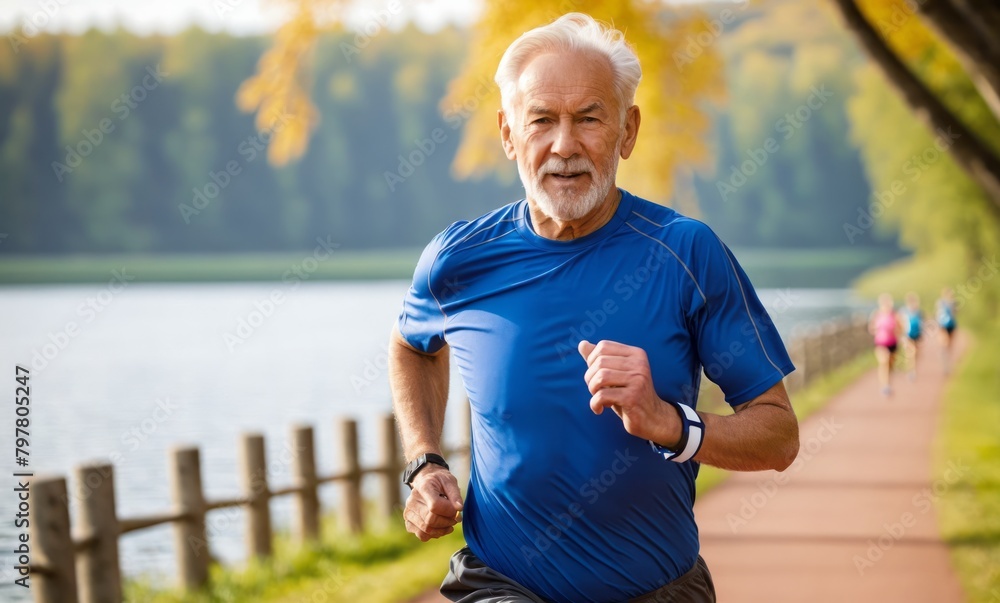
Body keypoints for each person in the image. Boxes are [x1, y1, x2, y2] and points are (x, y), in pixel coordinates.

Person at [388, 13, 799, 603]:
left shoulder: (688, 252)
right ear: (508, 134)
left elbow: (779, 436)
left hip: (659, 589)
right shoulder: (458, 259)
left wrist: (670, 423)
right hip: (501, 584)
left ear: (627, 131)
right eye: (541, 121)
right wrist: (424, 462)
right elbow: (411, 346)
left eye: (588, 118)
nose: (564, 145)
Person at [868, 293, 900, 396]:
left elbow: (900, 327)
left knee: (890, 365)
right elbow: (871, 328)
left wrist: (895, 331)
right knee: (883, 362)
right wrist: (875, 330)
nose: (886, 305)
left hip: (893, 343)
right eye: (884, 302)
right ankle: (884, 386)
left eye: (888, 302)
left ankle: (888, 383)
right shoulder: (876, 314)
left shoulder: (895, 315)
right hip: (880, 343)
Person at [900, 292, 923, 380]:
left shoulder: (919, 312)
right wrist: (902, 337)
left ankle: (912, 369)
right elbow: (901, 325)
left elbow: (922, 324)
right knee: (910, 353)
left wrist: (922, 335)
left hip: (917, 335)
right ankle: (911, 371)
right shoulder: (904, 312)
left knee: (916, 354)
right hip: (907, 336)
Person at [936, 287, 957, 373]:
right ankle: (944, 361)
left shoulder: (953, 303)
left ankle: (948, 362)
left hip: (951, 325)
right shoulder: (941, 302)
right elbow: (938, 313)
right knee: (945, 343)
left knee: (950, 346)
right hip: (943, 325)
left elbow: (955, 313)